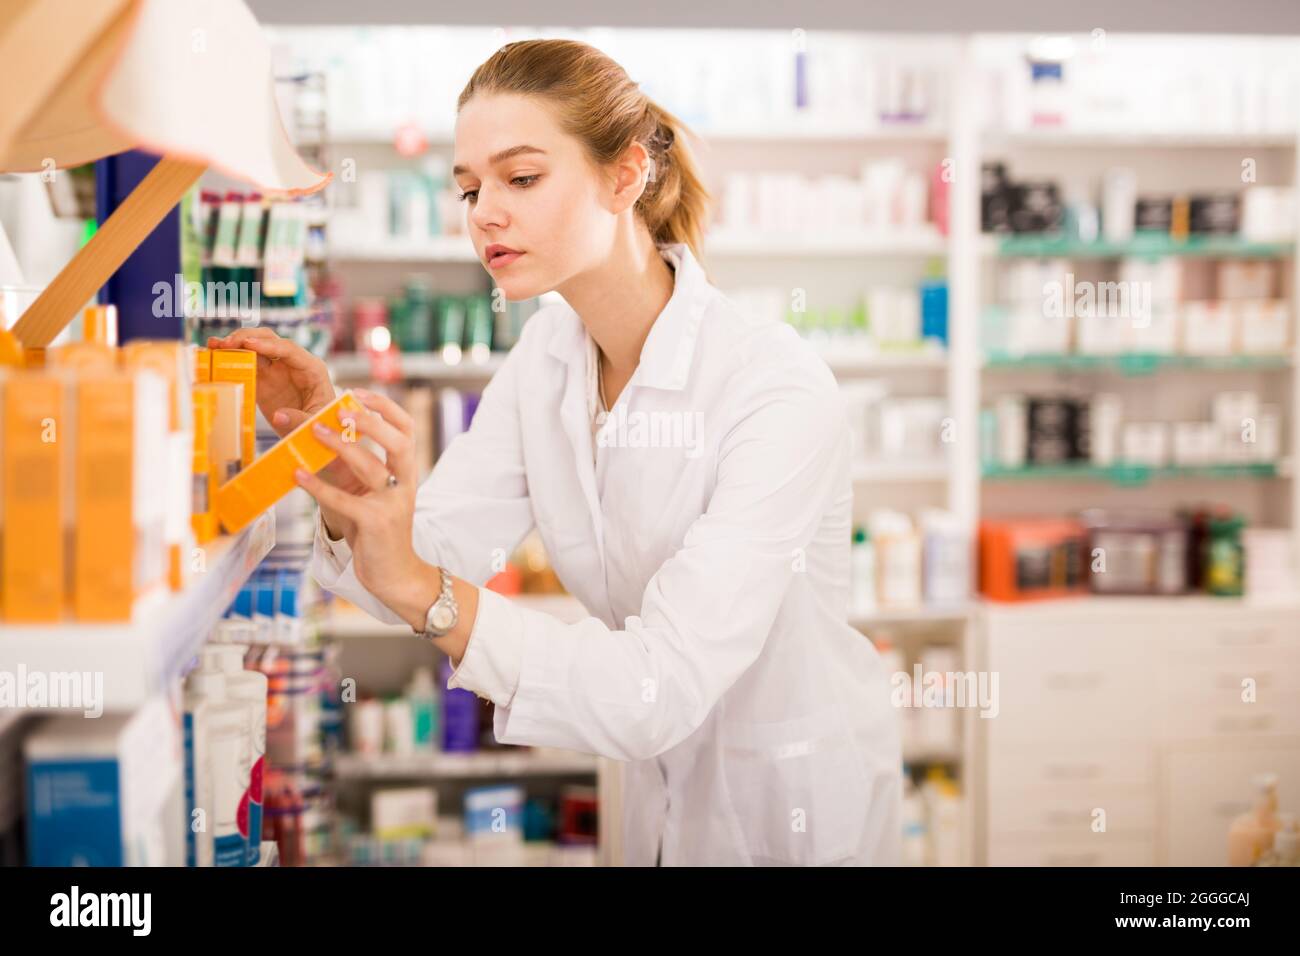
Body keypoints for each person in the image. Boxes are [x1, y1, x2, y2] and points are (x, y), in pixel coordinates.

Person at [210, 38, 900, 866]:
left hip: (790, 820)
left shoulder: (772, 388)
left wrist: (427, 590)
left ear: (624, 176)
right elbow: (424, 557)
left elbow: (658, 687)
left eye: (522, 178)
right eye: (469, 188)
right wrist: (332, 462)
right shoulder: (547, 359)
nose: (483, 214)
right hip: (648, 804)